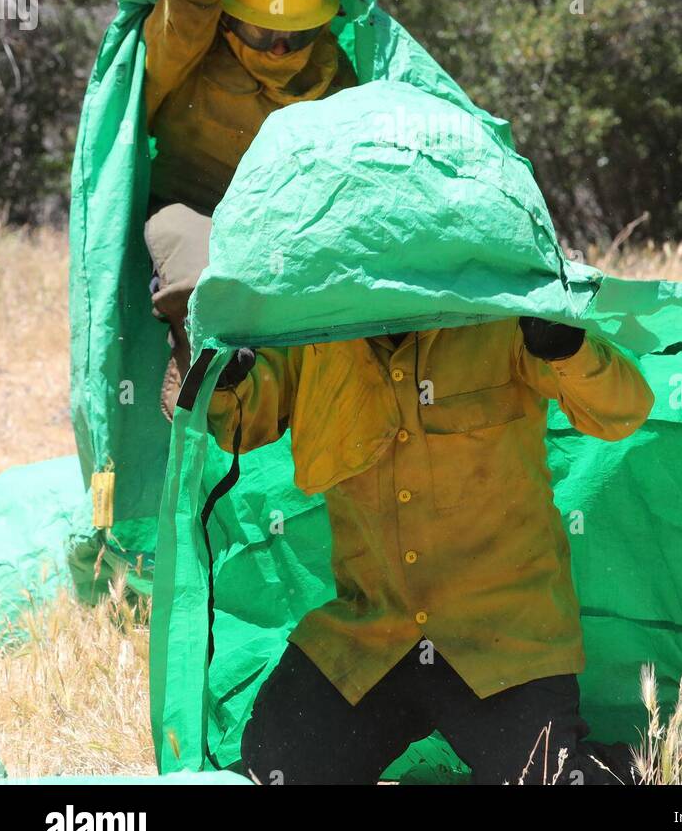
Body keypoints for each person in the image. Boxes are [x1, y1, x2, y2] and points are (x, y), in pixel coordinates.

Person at [208, 314, 655, 785]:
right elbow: (239, 421)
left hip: (506, 639)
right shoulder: (316, 325)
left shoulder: (498, 306)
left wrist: (565, 346)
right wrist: (225, 379)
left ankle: (639, 770)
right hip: (372, 633)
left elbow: (621, 410)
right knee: (277, 767)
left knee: (546, 780)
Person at [143, 0, 355, 417]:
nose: (280, 49)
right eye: (264, 32)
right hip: (191, 207)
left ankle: (273, 402)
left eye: (297, 34)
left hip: (285, 219)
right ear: (231, 22)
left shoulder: (336, 74)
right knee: (200, 271)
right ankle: (208, 379)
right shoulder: (190, 58)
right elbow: (186, 3)